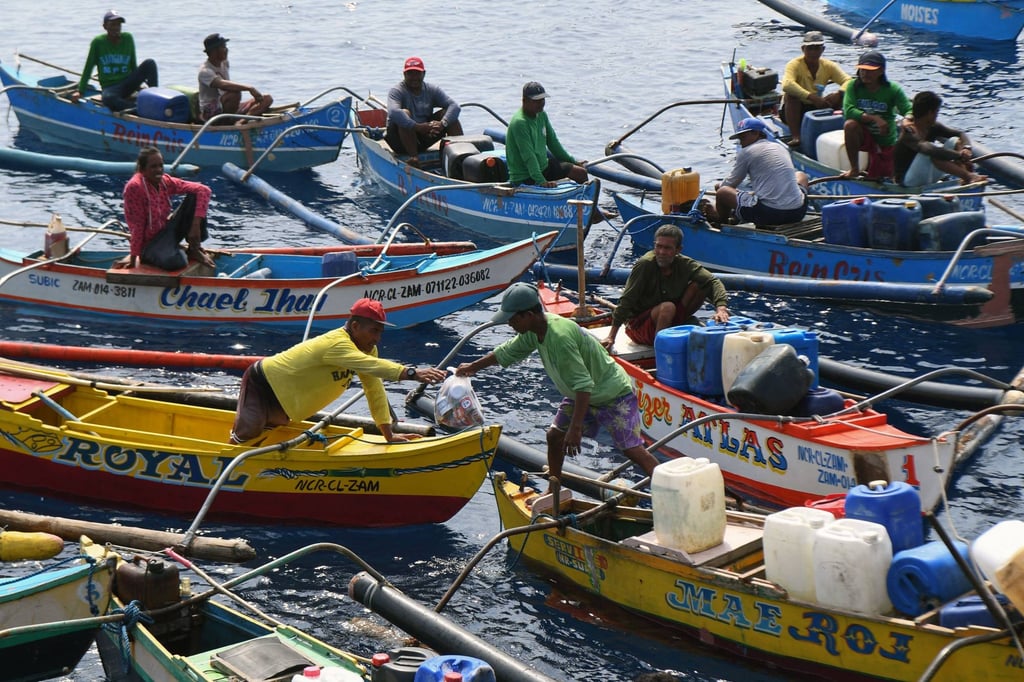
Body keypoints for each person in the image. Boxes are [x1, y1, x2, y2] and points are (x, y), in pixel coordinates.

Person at [456, 282, 659, 487]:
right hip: (580, 394)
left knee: (631, 450)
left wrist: (575, 428)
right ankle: (554, 488)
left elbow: (583, 385)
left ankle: (669, 488)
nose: (509, 324)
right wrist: (473, 367)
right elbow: (508, 350)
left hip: (612, 394)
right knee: (554, 437)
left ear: (529, 315)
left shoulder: (559, 337)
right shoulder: (535, 331)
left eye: (512, 319)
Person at [230, 298, 446, 444]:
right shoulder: (337, 343)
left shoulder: (367, 349)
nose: (377, 339)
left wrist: (388, 434)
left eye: (380, 332)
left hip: (287, 401)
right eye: (374, 331)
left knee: (266, 436)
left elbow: (374, 389)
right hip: (263, 384)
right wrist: (411, 373)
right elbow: (373, 366)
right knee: (246, 435)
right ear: (355, 326)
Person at [602, 224, 730, 350]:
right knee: (668, 307)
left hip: (670, 318)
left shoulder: (684, 264)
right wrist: (611, 336)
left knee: (701, 284)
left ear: (678, 250)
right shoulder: (645, 264)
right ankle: (661, 348)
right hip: (640, 327)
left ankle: (676, 328)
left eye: (668, 248)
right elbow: (627, 300)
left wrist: (721, 308)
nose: (662, 252)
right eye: (659, 246)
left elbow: (713, 281)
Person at [121, 146, 215, 270]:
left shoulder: (164, 181)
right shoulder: (135, 187)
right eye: (153, 167)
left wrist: (195, 226)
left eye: (161, 166)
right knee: (177, 262)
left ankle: (193, 248)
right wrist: (134, 258)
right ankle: (163, 253)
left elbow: (204, 190)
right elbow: (137, 225)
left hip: (166, 232)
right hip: (150, 244)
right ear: (142, 169)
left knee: (195, 195)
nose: (159, 170)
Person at [715, 117, 809, 226]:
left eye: (743, 137)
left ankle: (723, 223)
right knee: (801, 175)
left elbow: (731, 183)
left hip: (771, 214)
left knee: (722, 192)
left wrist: (719, 189)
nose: (741, 142)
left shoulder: (746, 152)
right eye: (740, 138)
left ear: (756, 133)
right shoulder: (780, 147)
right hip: (798, 212)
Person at [839, 50, 911, 179]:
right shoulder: (853, 86)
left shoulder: (893, 89)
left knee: (886, 176)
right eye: (863, 70)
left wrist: (907, 120)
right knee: (850, 125)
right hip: (863, 135)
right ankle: (854, 169)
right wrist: (874, 118)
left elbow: (909, 109)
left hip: (884, 139)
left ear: (881, 71)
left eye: (870, 70)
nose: (865, 73)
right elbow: (848, 111)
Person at [894, 91, 987, 186]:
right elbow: (930, 150)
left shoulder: (933, 126)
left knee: (955, 141)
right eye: (937, 112)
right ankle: (969, 176)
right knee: (933, 152)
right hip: (907, 181)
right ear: (930, 113)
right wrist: (959, 156)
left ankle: (966, 177)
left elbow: (960, 133)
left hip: (924, 174)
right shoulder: (909, 132)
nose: (937, 115)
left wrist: (966, 148)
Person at [70, 10, 158, 111]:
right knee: (108, 98)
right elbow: (88, 68)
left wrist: (138, 86)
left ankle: (154, 98)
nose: (116, 28)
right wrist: (80, 91)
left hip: (127, 82)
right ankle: (136, 109)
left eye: (118, 25)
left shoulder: (128, 38)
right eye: (112, 25)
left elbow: (133, 65)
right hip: (111, 87)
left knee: (150, 63)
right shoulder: (98, 42)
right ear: (105, 26)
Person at [505, 82, 588, 186]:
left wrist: (573, 161)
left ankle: (585, 195)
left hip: (544, 167)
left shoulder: (542, 115)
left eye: (542, 100)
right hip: (525, 176)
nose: (541, 103)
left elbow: (553, 143)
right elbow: (529, 156)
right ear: (524, 100)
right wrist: (541, 181)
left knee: (581, 173)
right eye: (536, 101)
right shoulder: (520, 123)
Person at [384, 57, 463, 164]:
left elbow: (454, 106)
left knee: (448, 115)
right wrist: (418, 127)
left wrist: (442, 124)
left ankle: (461, 155)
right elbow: (393, 112)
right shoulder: (397, 91)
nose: (414, 77)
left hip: (424, 136)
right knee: (404, 114)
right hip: (400, 141)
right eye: (410, 74)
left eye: (417, 73)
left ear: (424, 74)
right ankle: (414, 158)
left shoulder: (432, 90)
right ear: (404, 74)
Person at [781, 31, 850, 149]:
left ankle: (839, 129)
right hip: (795, 110)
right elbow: (787, 84)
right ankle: (796, 136)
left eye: (817, 48)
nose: (813, 52)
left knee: (841, 96)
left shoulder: (828, 65)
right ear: (803, 49)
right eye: (810, 48)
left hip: (816, 106)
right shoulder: (794, 64)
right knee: (791, 95)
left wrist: (839, 93)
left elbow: (848, 81)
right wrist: (811, 97)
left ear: (822, 49)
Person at [197, 33, 273, 122]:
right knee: (234, 94)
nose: (226, 50)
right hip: (211, 111)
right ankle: (226, 123)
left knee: (267, 98)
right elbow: (222, 84)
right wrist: (250, 88)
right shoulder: (205, 71)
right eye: (223, 47)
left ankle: (242, 121)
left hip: (227, 106)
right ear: (213, 51)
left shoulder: (224, 63)